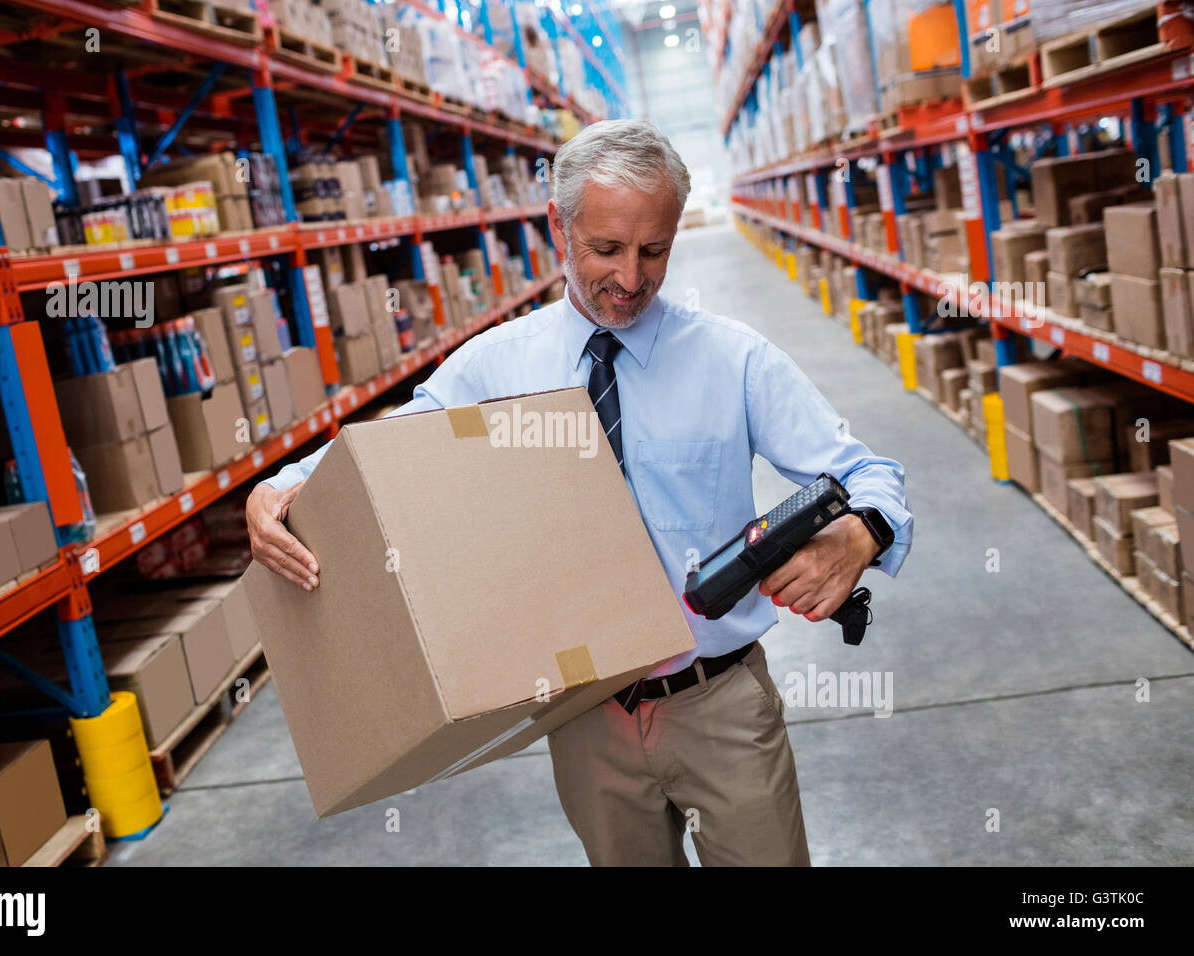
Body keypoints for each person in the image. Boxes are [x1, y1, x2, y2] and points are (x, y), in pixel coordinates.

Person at [247, 119, 913, 866]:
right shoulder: (495, 368)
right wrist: (280, 489)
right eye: (606, 249)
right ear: (557, 227)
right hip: (584, 717)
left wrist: (861, 535)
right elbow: (377, 457)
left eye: (654, 251)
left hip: (720, 703)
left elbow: (871, 476)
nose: (631, 278)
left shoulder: (733, 360)